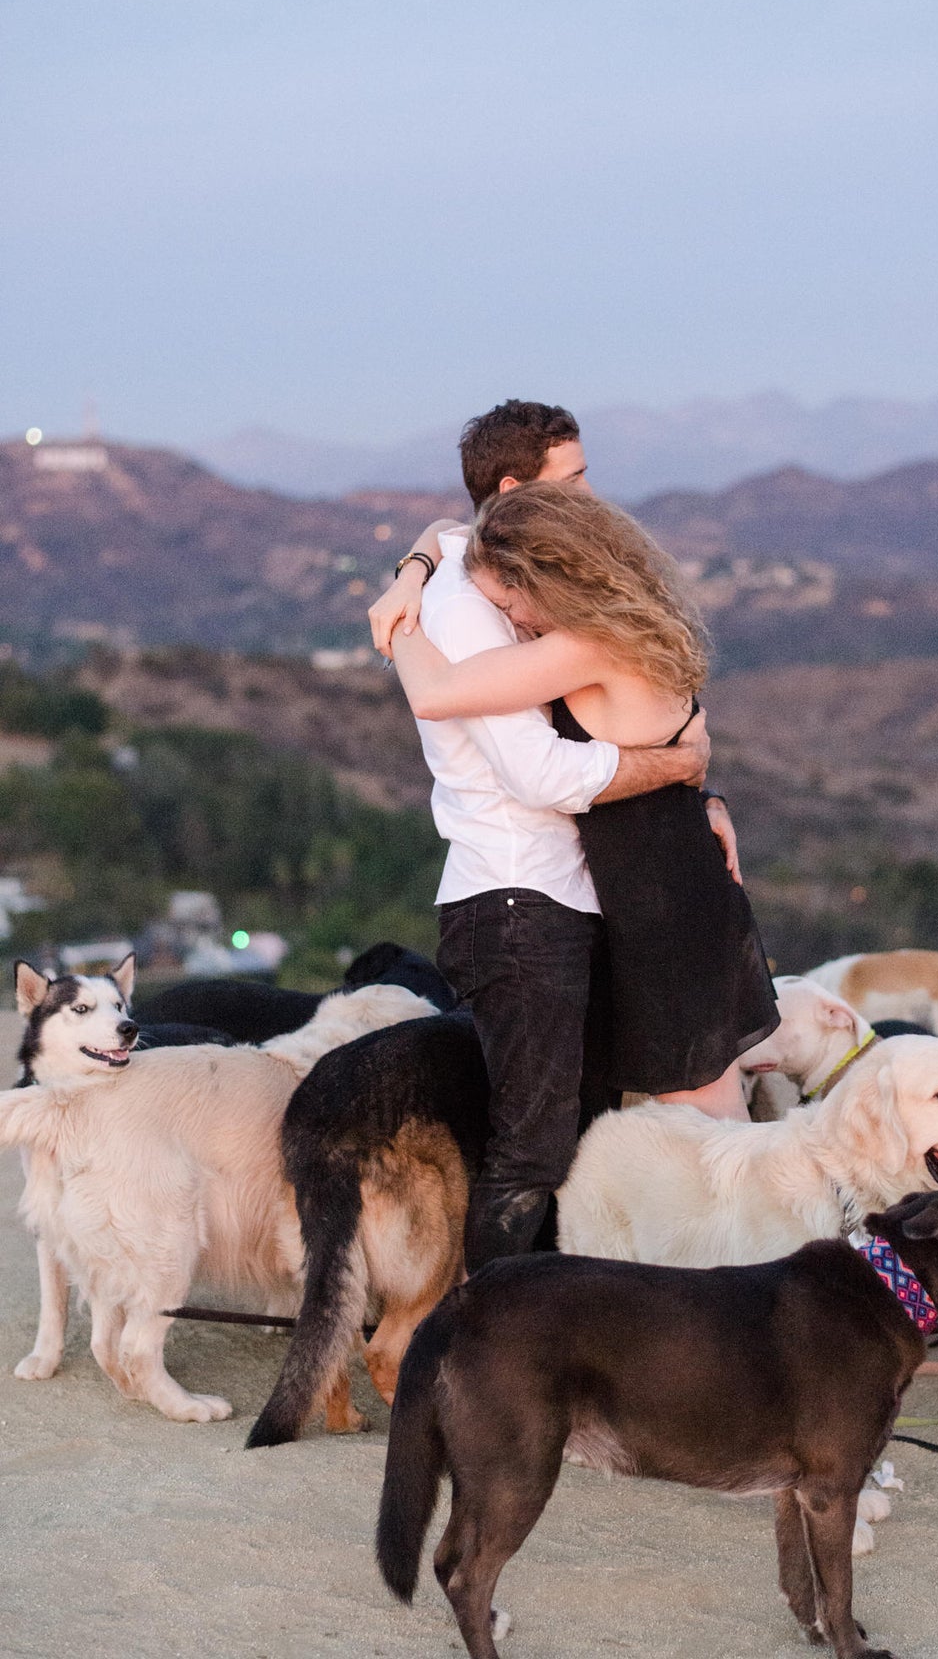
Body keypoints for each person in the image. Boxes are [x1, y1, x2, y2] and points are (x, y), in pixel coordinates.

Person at [374, 401, 716, 1272]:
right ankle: (486, 1334)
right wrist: (673, 765)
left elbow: (448, 531)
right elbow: (541, 775)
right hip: (518, 899)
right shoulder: (472, 605)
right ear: (514, 489)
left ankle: (561, 1326)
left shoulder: (494, 566)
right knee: (533, 1151)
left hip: (569, 895)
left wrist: (413, 562)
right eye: (574, 479)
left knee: (581, 1141)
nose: (591, 494)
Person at [392, 482, 779, 1123]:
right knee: (697, 1127)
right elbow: (445, 530)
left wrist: (396, 612)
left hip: (664, 907)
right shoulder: (630, 623)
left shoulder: (586, 647)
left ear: (545, 576)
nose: (513, 621)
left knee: (711, 1133)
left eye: (507, 602)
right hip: (667, 886)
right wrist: (414, 568)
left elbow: (435, 695)